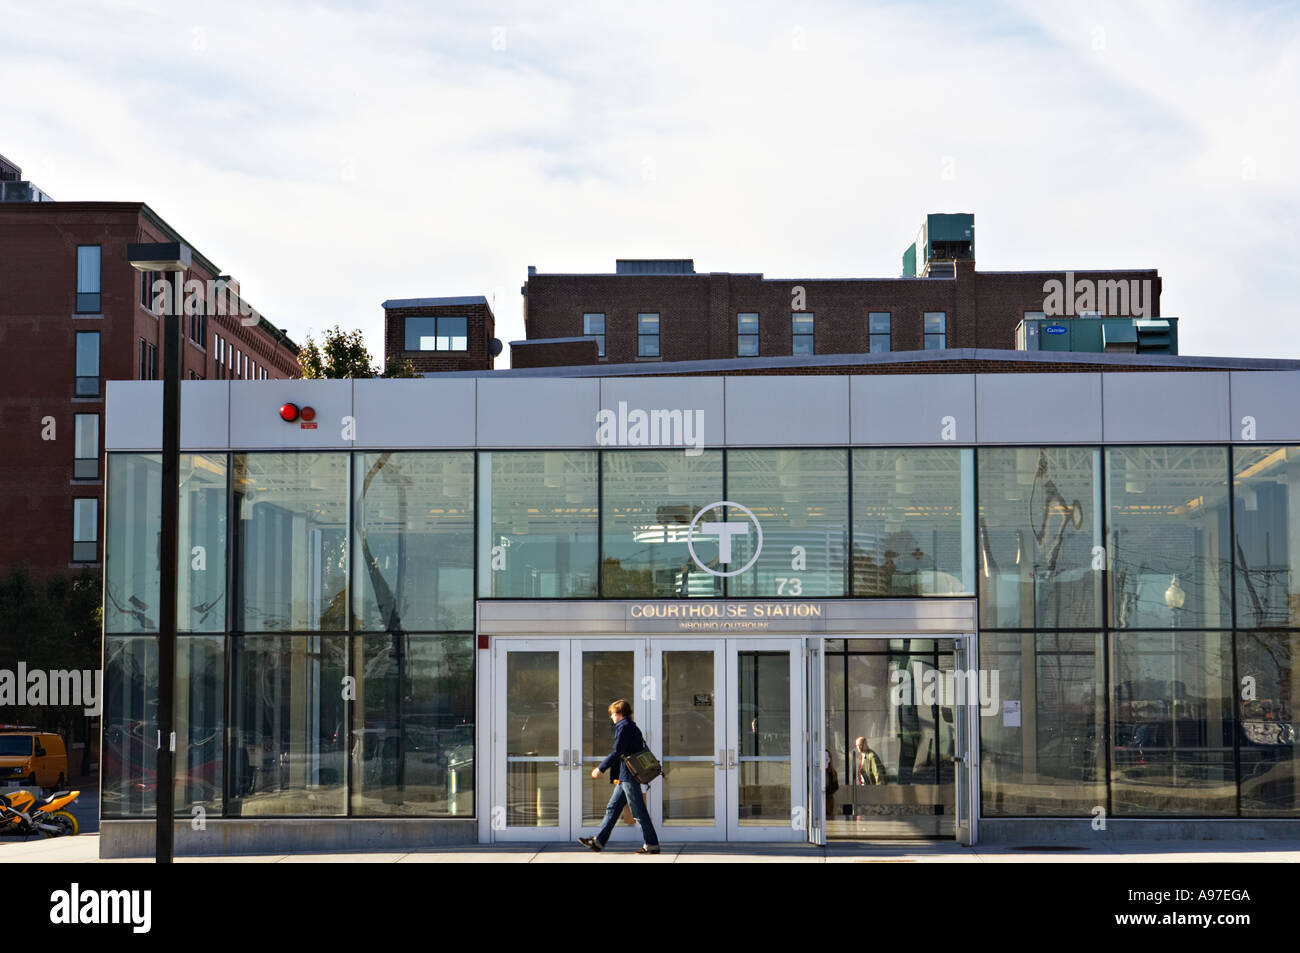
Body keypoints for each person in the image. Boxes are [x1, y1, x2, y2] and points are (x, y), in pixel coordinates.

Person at [579, 698, 660, 854]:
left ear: (620, 713)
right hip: (625, 777)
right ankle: (598, 842)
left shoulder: (624, 727)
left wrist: (600, 768)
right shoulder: (630, 726)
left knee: (638, 812)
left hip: (629, 777)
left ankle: (652, 844)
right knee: (612, 808)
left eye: (612, 713)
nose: (611, 716)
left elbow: (617, 752)